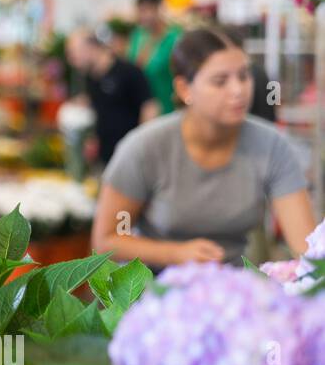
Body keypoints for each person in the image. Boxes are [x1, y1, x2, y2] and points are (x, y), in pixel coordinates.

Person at [92, 27, 314, 269]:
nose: (238, 90)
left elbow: (307, 249)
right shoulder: (145, 148)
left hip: (235, 291)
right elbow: (105, 241)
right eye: (220, 81)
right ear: (184, 89)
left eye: (243, 76)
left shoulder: (272, 146)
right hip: (156, 289)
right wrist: (174, 254)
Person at [65, 26, 159, 165]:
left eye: (74, 54)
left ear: (90, 47)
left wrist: (141, 147)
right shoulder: (91, 78)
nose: (72, 61)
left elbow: (150, 107)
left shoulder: (129, 72)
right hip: (106, 158)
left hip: (131, 158)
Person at [128, 0, 182, 114]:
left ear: (158, 9)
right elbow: (133, 67)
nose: (145, 16)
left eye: (149, 10)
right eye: (141, 11)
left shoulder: (174, 37)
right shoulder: (138, 36)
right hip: (144, 107)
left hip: (169, 105)